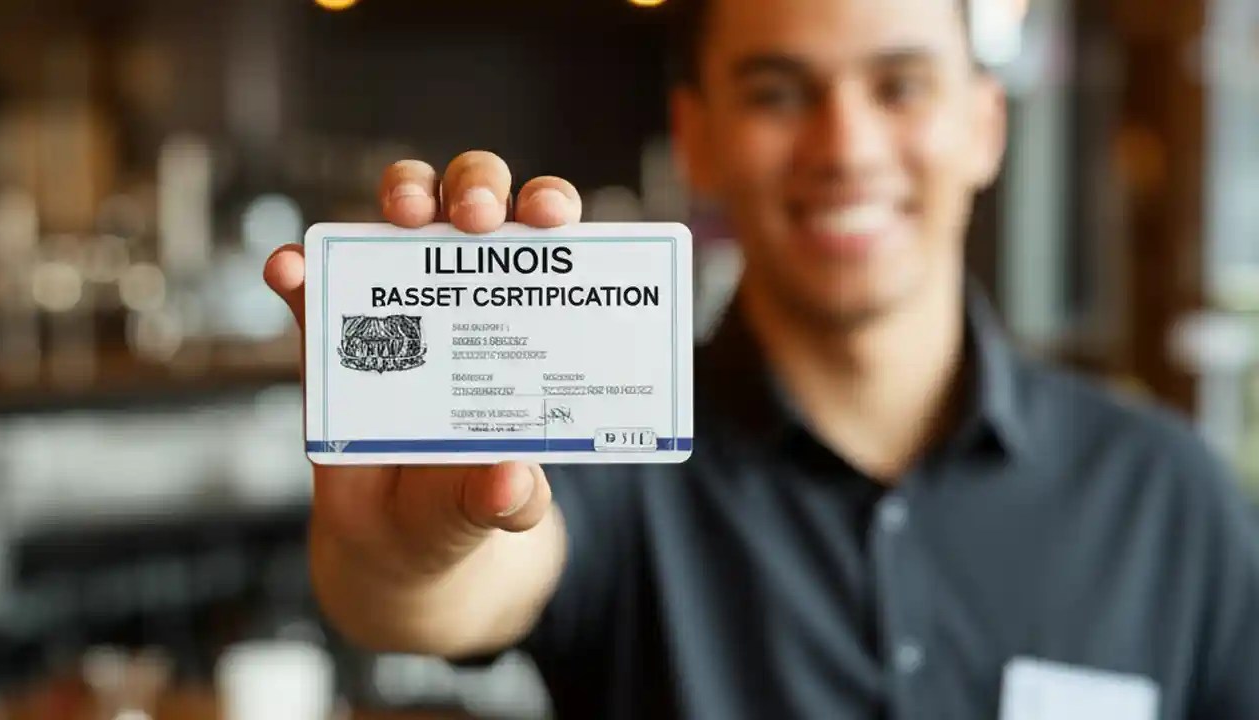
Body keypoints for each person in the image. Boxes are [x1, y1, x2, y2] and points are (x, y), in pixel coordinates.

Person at [263, 0, 1259, 717]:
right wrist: (404, 551)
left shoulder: (1168, 496)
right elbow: (447, 590)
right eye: (778, 91)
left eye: (899, 84)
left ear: (982, 123)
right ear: (696, 139)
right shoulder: (608, 451)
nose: (845, 144)